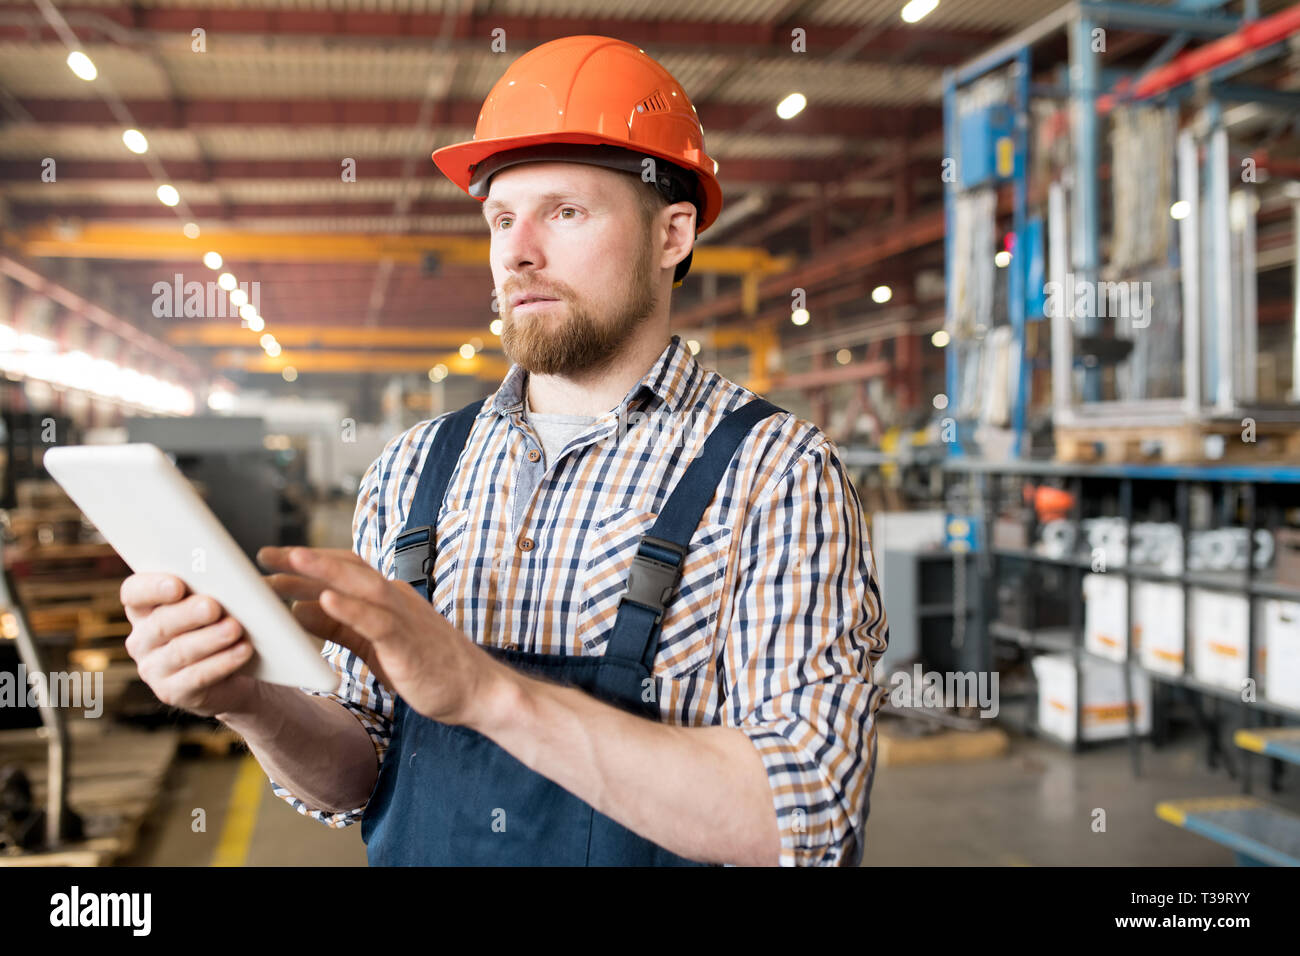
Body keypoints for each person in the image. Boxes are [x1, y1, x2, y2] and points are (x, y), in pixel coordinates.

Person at [121, 35, 889, 866]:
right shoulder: (412, 472)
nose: (517, 251)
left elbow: (805, 817)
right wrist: (251, 702)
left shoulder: (777, 475)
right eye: (499, 217)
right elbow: (356, 775)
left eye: (565, 212)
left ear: (672, 236)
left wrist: (489, 694)